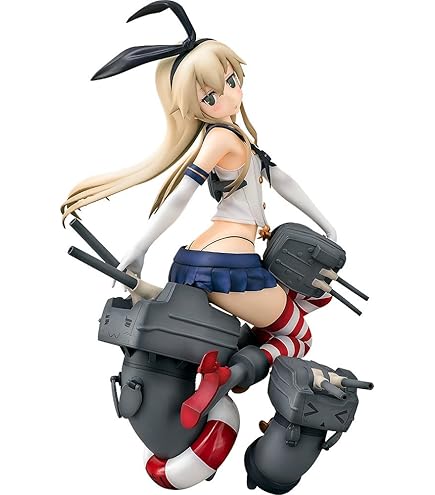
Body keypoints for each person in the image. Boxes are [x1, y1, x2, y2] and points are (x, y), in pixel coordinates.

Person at [61, 1, 336, 369]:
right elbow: (181, 196)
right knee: (299, 337)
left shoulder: (236, 137)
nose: (229, 94)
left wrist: (326, 225)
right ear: (193, 106)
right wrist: (140, 247)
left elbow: (281, 178)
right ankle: (226, 377)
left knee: (313, 298)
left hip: (199, 260)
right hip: (229, 265)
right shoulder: (220, 138)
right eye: (210, 97)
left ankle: (230, 361)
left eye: (231, 81)